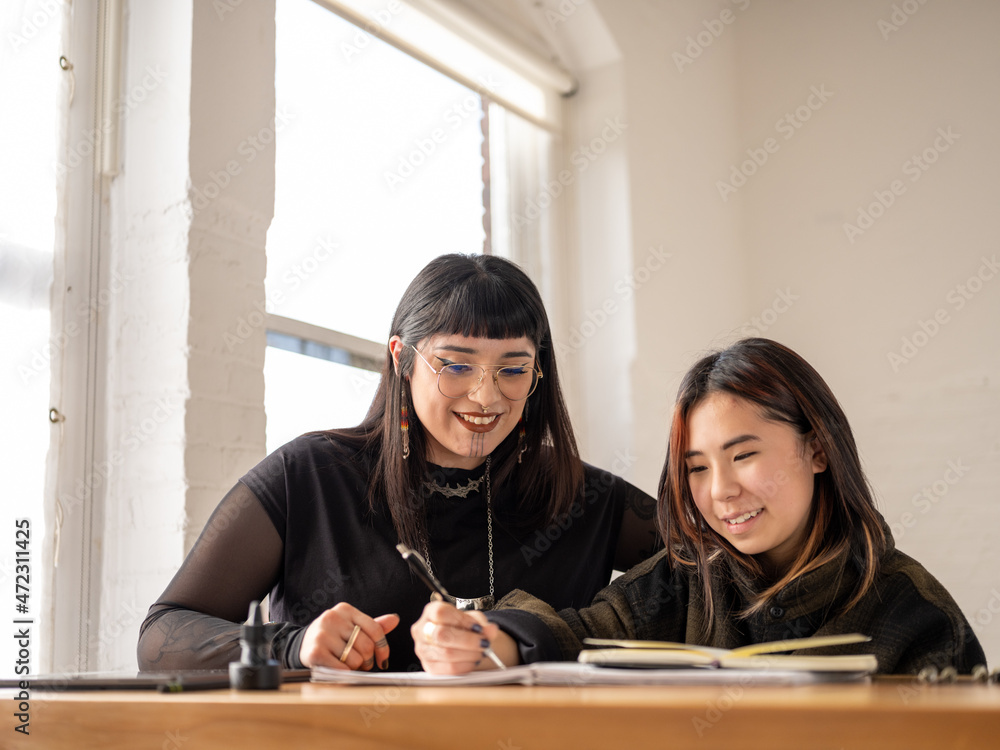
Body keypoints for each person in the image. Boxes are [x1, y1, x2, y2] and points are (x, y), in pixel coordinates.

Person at [137, 253, 660, 673]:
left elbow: (714, 566)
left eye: (513, 369)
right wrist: (293, 645)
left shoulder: (581, 494)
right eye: (456, 365)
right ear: (401, 359)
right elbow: (162, 635)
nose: (485, 396)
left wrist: (554, 629)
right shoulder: (311, 477)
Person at [413, 337, 986, 675]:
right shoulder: (683, 581)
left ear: (817, 448)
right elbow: (578, 635)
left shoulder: (914, 611)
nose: (720, 492)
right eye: (696, 467)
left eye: (744, 456)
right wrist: (486, 640)